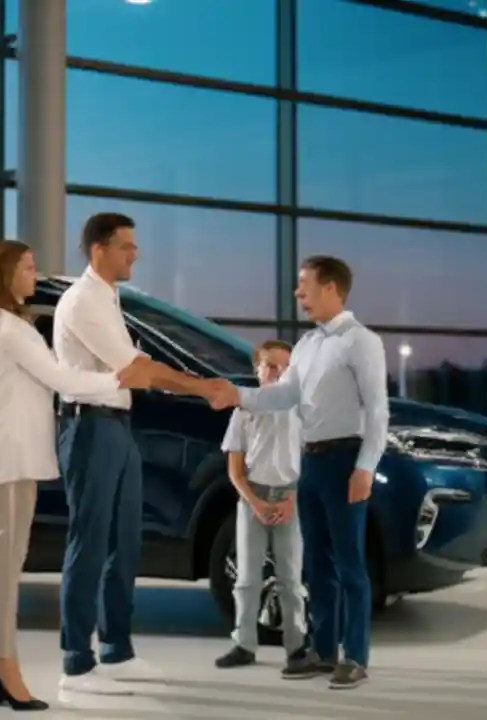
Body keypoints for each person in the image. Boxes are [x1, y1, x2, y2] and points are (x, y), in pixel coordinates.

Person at [0, 240, 151, 712]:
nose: (35, 273)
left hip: (3, 456)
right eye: (27, 267)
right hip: (11, 459)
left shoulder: (1, 326)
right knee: (5, 568)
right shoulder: (11, 331)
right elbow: (63, 380)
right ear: (5, 275)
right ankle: (6, 669)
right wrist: (121, 379)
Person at [53, 212, 218, 700]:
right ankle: (75, 663)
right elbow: (135, 371)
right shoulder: (83, 301)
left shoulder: (108, 299)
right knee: (88, 542)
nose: (136, 254)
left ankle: (116, 651)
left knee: (124, 541)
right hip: (89, 428)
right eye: (126, 246)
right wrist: (202, 386)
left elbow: (132, 371)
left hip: (117, 427)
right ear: (98, 249)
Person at [206, 255, 389, 690]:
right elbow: (284, 395)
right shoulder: (306, 345)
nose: (298, 293)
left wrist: (365, 467)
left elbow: (379, 411)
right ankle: (324, 652)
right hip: (311, 462)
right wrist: (239, 395)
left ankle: (356, 656)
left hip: (346, 460)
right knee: (318, 565)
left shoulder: (361, 341)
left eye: (304, 284)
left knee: (350, 564)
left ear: (331, 288)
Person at [213, 339, 308, 672]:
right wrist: (252, 502)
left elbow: (308, 460)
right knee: (247, 578)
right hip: (252, 498)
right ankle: (244, 644)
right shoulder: (244, 411)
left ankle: (297, 647)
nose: (276, 372)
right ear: (257, 369)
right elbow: (235, 468)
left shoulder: (299, 410)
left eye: (284, 366)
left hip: (289, 498)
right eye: (269, 365)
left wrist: (293, 497)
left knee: (291, 579)